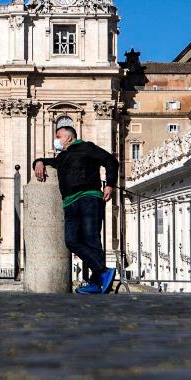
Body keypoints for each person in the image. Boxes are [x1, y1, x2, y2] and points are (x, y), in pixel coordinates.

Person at [33, 119, 119, 294]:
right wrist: (39, 161)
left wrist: (110, 184)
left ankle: (96, 283)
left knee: (91, 239)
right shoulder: (62, 157)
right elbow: (48, 161)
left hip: (89, 198)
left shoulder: (87, 147)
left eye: (58, 136)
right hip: (69, 202)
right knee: (71, 241)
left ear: (69, 137)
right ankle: (102, 273)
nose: (56, 140)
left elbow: (110, 160)